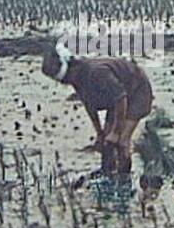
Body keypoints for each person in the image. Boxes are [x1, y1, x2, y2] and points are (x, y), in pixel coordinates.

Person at [41, 42, 154, 176]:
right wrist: (99, 133)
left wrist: (116, 132)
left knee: (122, 141)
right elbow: (89, 104)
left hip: (137, 91)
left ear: (71, 68)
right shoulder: (76, 79)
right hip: (118, 96)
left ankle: (124, 177)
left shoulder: (97, 73)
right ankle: (108, 172)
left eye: (65, 79)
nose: (66, 83)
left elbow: (121, 98)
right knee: (107, 141)